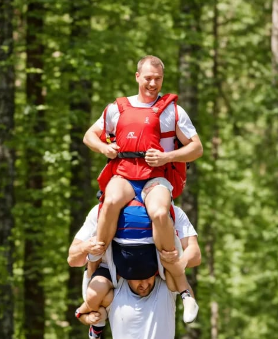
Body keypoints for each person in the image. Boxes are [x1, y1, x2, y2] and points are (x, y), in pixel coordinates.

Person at [82, 55, 203, 323]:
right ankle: (95, 260)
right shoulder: (117, 108)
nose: (152, 83)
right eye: (148, 78)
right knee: (111, 201)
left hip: (155, 177)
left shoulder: (173, 111)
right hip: (124, 175)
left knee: (160, 212)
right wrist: (105, 147)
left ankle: (178, 279)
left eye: (157, 79)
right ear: (137, 76)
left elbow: (197, 148)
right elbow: (89, 136)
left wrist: (167, 158)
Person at [68, 197, 200, 339]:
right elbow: (72, 258)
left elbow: (195, 254)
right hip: (113, 271)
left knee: (173, 282)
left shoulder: (169, 210)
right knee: (95, 294)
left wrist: (179, 263)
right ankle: (91, 324)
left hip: (152, 270)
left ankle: (187, 296)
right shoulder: (101, 211)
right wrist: (86, 247)